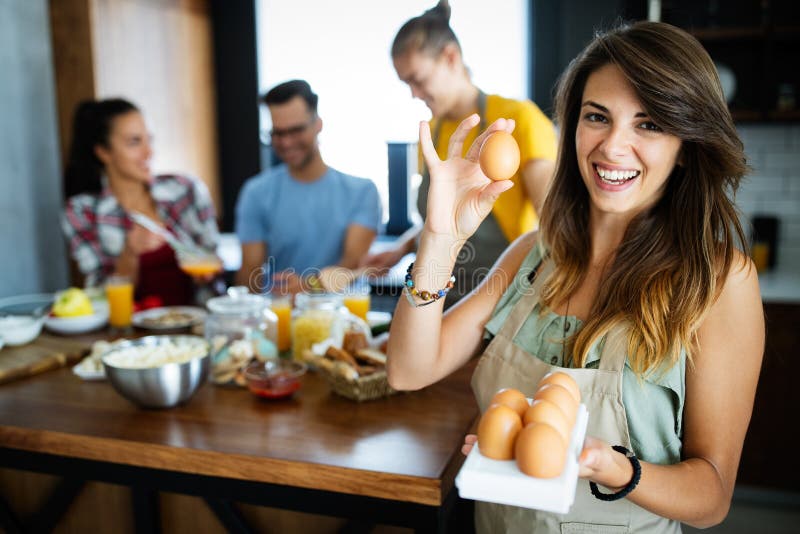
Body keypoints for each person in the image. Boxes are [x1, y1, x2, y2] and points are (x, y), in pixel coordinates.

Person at [386, 21, 764, 533]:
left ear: (686, 140)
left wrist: (614, 467)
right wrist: (440, 238)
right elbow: (409, 370)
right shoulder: (533, 255)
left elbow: (713, 494)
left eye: (648, 124)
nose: (612, 146)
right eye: (597, 117)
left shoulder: (720, 281)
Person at [361, 0, 557, 304]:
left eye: (417, 79)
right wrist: (401, 248)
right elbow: (445, 217)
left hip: (504, 297)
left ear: (451, 57)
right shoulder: (432, 131)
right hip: (442, 295)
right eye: (406, 84)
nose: (413, 94)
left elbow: (555, 222)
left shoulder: (518, 119)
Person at [61, 98, 221, 306]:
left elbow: (213, 259)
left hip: (197, 323)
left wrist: (208, 271)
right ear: (103, 152)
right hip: (133, 331)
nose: (149, 152)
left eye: (149, 140)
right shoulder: (81, 211)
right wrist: (130, 253)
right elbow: (100, 298)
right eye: (134, 142)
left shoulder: (186, 189)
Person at [234, 80, 382, 294]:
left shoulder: (362, 192)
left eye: (296, 130)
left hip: (342, 317)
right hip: (280, 314)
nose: (286, 143)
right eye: (278, 133)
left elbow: (351, 263)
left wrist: (307, 285)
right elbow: (249, 272)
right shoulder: (256, 193)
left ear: (318, 124)